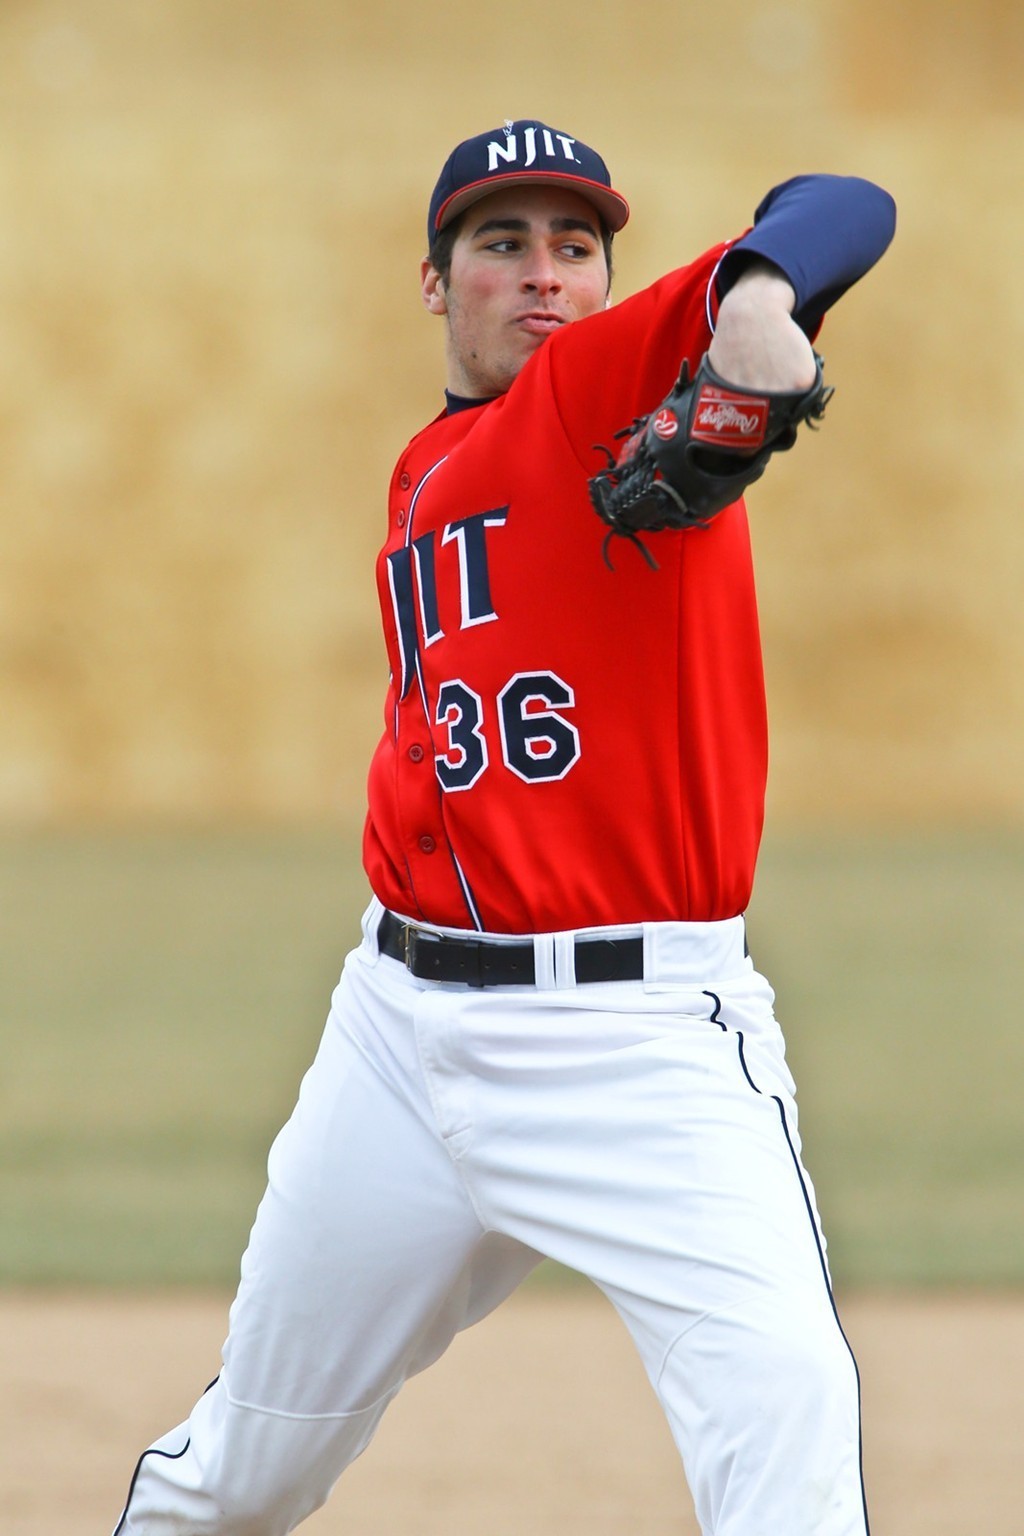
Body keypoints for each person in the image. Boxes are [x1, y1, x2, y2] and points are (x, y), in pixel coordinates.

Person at [112, 119, 896, 1535]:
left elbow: (842, 203)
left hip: (639, 1045)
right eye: (502, 243)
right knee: (238, 1477)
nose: (546, 276)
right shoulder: (423, 470)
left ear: (611, 283)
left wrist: (766, 309)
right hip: (398, 1036)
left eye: (577, 246)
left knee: (786, 1440)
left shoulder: (607, 382)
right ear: (435, 283)